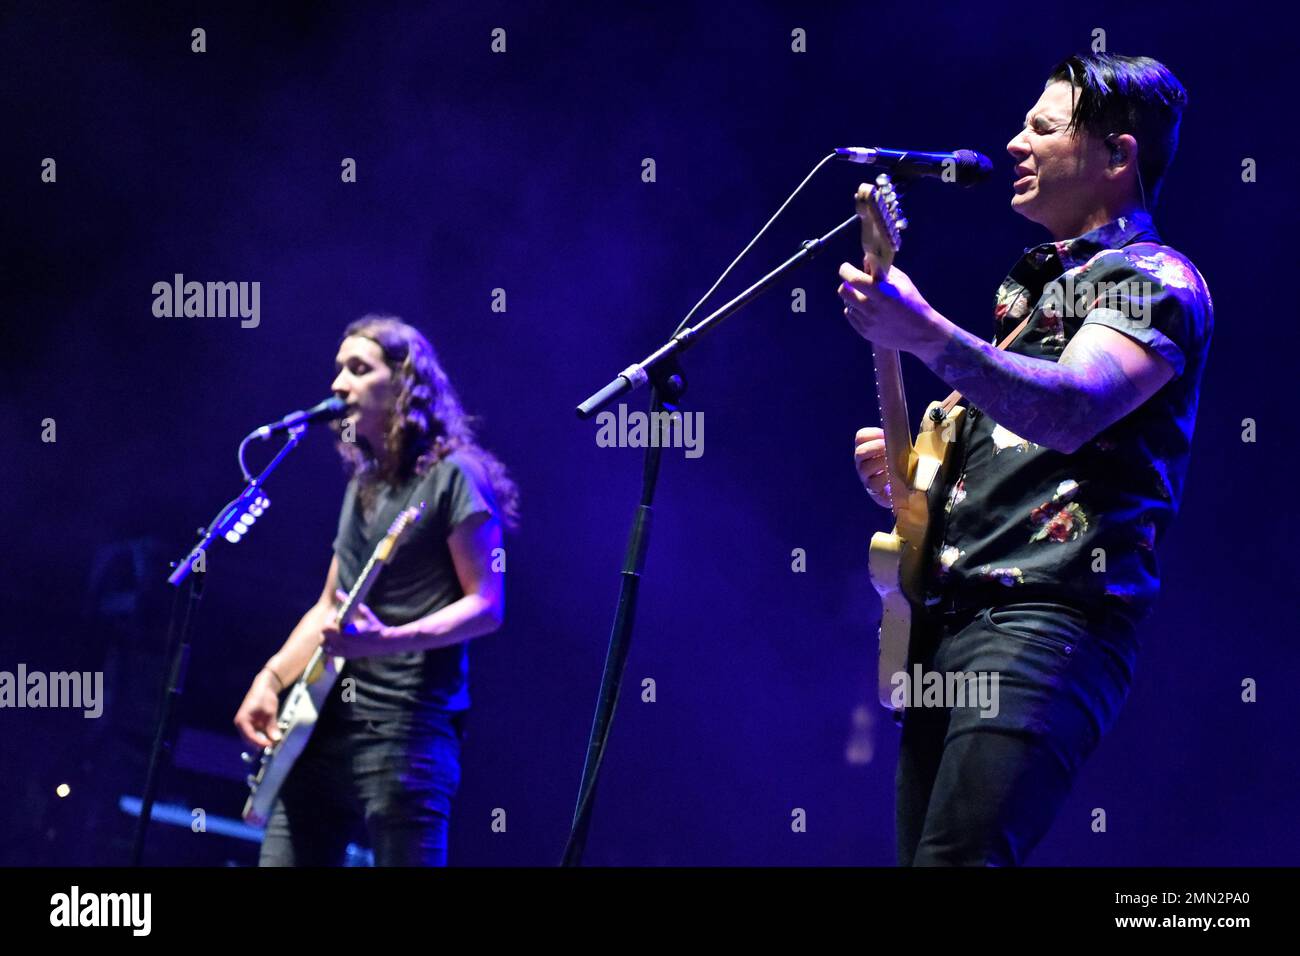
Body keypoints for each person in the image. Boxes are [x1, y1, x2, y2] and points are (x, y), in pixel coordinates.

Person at [839, 53, 1213, 865]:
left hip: (1047, 617)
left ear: (1118, 156)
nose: (1014, 143)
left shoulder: (1156, 280)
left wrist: (927, 333)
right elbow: (1001, 449)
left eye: (1043, 128)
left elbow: (1072, 408)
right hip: (946, 626)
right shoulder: (1031, 299)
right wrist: (909, 481)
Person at [233, 315, 519, 866]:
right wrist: (270, 680)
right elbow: (328, 607)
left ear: (405, 383)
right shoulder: (364, 485)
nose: (338, 383)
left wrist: (387, 639)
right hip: (322, 725)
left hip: (406, 733)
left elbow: (487, 606)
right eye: (338, 368)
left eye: (358, 369)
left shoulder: (456, 475)